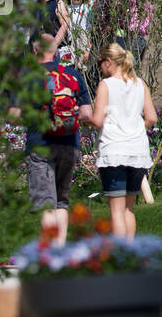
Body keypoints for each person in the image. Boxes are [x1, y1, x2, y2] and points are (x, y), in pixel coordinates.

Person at [9, 34, 93, 245]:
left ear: (35, 51)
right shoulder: (72, 74)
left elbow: (13, 114)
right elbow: (87, 114)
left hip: (41, 145)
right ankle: (61, 253)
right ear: (56, 53)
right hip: (69, 144)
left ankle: (50, 256)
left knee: (47, 205)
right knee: (62, 203)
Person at [88, 43, 158, 238]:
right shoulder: (140, 83)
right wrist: (134, 127)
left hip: (114, 150)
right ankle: (130, 255)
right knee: (129, 209)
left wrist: (84, 118)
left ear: (109, 62)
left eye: (100, 63)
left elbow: (98, 120)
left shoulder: (106, 85)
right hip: (137, 150)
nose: (100, 67)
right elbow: (151, 118)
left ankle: (119, 257)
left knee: (116, 211)